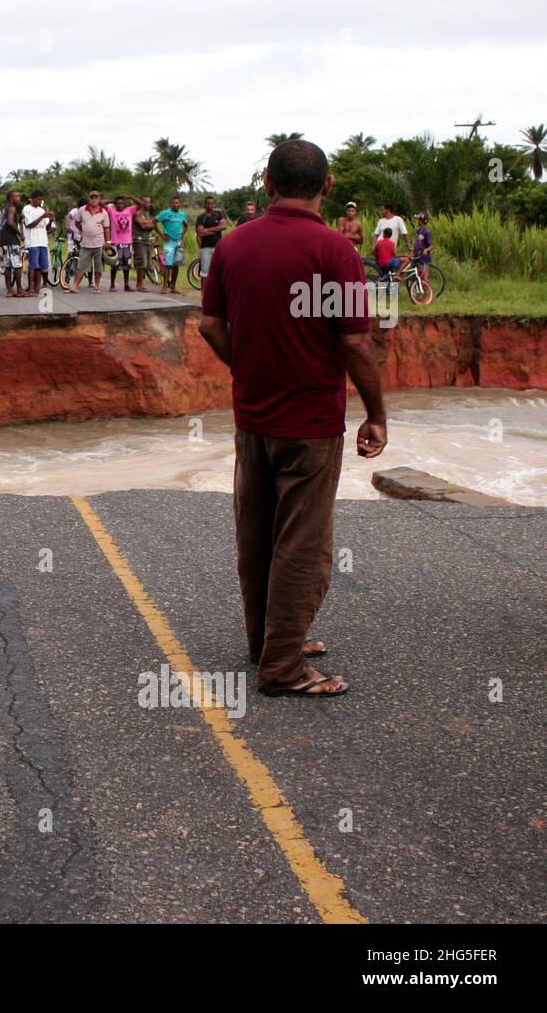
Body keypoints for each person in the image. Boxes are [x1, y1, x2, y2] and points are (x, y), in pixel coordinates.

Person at [198, 138, 387, 698]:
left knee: (256, 535)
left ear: (267, 184)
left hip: (251, 419)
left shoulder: (233, 246)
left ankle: (269, 643)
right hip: (309, 423)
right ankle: (282, 667)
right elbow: (355, 344)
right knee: (302, 543)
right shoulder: (334, 252)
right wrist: (377, 414)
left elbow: (210, 326)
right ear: (327, 187)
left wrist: (249, 367)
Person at [66, 190, 109, 294]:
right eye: (92, 197)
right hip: (85, 243)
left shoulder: (103, 212)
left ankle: (97, 286)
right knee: (81, 266)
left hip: (99, 243)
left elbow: (107, 228)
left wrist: (108, 241)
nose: (94, 199)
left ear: (99, 199)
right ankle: (75, 286)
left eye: (96, 197)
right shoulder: (82, 209)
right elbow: (77, 223)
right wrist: (83, 230)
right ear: (89, 199)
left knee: (98, 266)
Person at [106, 195, 144, 292]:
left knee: (127, 264)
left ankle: (126, 285)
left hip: (127, 242)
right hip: (116, 242)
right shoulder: (112, 211)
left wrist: (130, 197)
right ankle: (112, 285)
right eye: (117, 204)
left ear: (124, 203)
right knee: (115, 264)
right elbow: (101, 203)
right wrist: (112, 200)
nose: (119, 205)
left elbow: (142, 204)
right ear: (115, 204)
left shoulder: (129, 210)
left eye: (121, 203)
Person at [21, 191, 55, 297]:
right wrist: (43, 216)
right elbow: (29, 224)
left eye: (42, 199)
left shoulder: (42, 210)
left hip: (43, 241)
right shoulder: (27, 209)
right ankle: (30, 289)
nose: (41, 201)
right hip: (32, 241)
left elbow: (47, 227)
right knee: (33, 266)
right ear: (33, 199)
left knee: (40, 266)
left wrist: (50, 220)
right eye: (39, 199)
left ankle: (37, 288)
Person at [155, 196, 189, 294]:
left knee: (176, 265)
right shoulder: (166, 213)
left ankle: (173, 287)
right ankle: (165, 286)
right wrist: (161, 235)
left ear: (180, 204)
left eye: (177, 203)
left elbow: (186, 225)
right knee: (168, 265)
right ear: (171, 204)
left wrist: (182, 236)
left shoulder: (182, 214)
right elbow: (154, 222)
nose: (175, 204)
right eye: (173, 203)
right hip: (169, 242)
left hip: (179, 242)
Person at [0, 190, 27, 297]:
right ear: (11, 198)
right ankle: (19, 289)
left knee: (8, 266)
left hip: (4, 240)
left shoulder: (6, 208)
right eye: (16, 196)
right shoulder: (12, 208)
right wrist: (20, 234)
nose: (18, 198)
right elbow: (10, 222)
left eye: (19, 196)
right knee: (17, 265)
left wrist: (19, 217)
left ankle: (10, 290)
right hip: (11, 240)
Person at [194, 195, 228, 282]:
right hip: (205, 248)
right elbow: (200, 233)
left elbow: (223, 226)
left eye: (212, 204)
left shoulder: (219, 214)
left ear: (214, 204)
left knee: (219, 271)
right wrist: (217, 229)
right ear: (205, 205)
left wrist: (207, 230)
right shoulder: (201, 217)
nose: (211, 206)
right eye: (208, 204)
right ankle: (204, 294)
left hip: (218, 247)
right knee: (204, 273)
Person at [132, 198, 157, 292]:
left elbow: (149, 226)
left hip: (146, 240)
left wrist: (150, 225)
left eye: (150, 202)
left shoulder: (147, 214)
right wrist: (151, 224)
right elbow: (143, 226)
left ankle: (141, 284)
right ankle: (139, 285)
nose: (149, 204)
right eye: (148, 202)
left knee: (146, 263)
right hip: (139, 241)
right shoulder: (138, 213)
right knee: (141, 263)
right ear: (143, 203)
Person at [412, 213, 434, 280]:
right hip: (417, 257)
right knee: (417, 277)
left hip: (424, 258)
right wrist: (413, 251)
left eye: (419, 220)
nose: (417, 221)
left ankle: (427, 290)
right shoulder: (418, 231)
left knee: (424, 277)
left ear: (422, 221)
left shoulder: (426, 231)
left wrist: (426, 250)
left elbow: (431, 245)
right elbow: (417, 243)